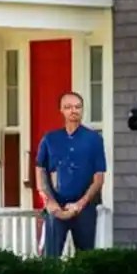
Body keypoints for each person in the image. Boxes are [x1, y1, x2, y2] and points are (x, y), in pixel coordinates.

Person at [34, 91, 105, 258]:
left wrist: (80, 204)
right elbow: (40, 171)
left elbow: (99, 177)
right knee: (50, 259)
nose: (74, 110)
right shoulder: (50, 139)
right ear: (61, 110)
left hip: (85, 209)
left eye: (78, 107)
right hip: (56, 207)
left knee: (86, 259)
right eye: (68, 107)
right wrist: (49, 201)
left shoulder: (94, 139)